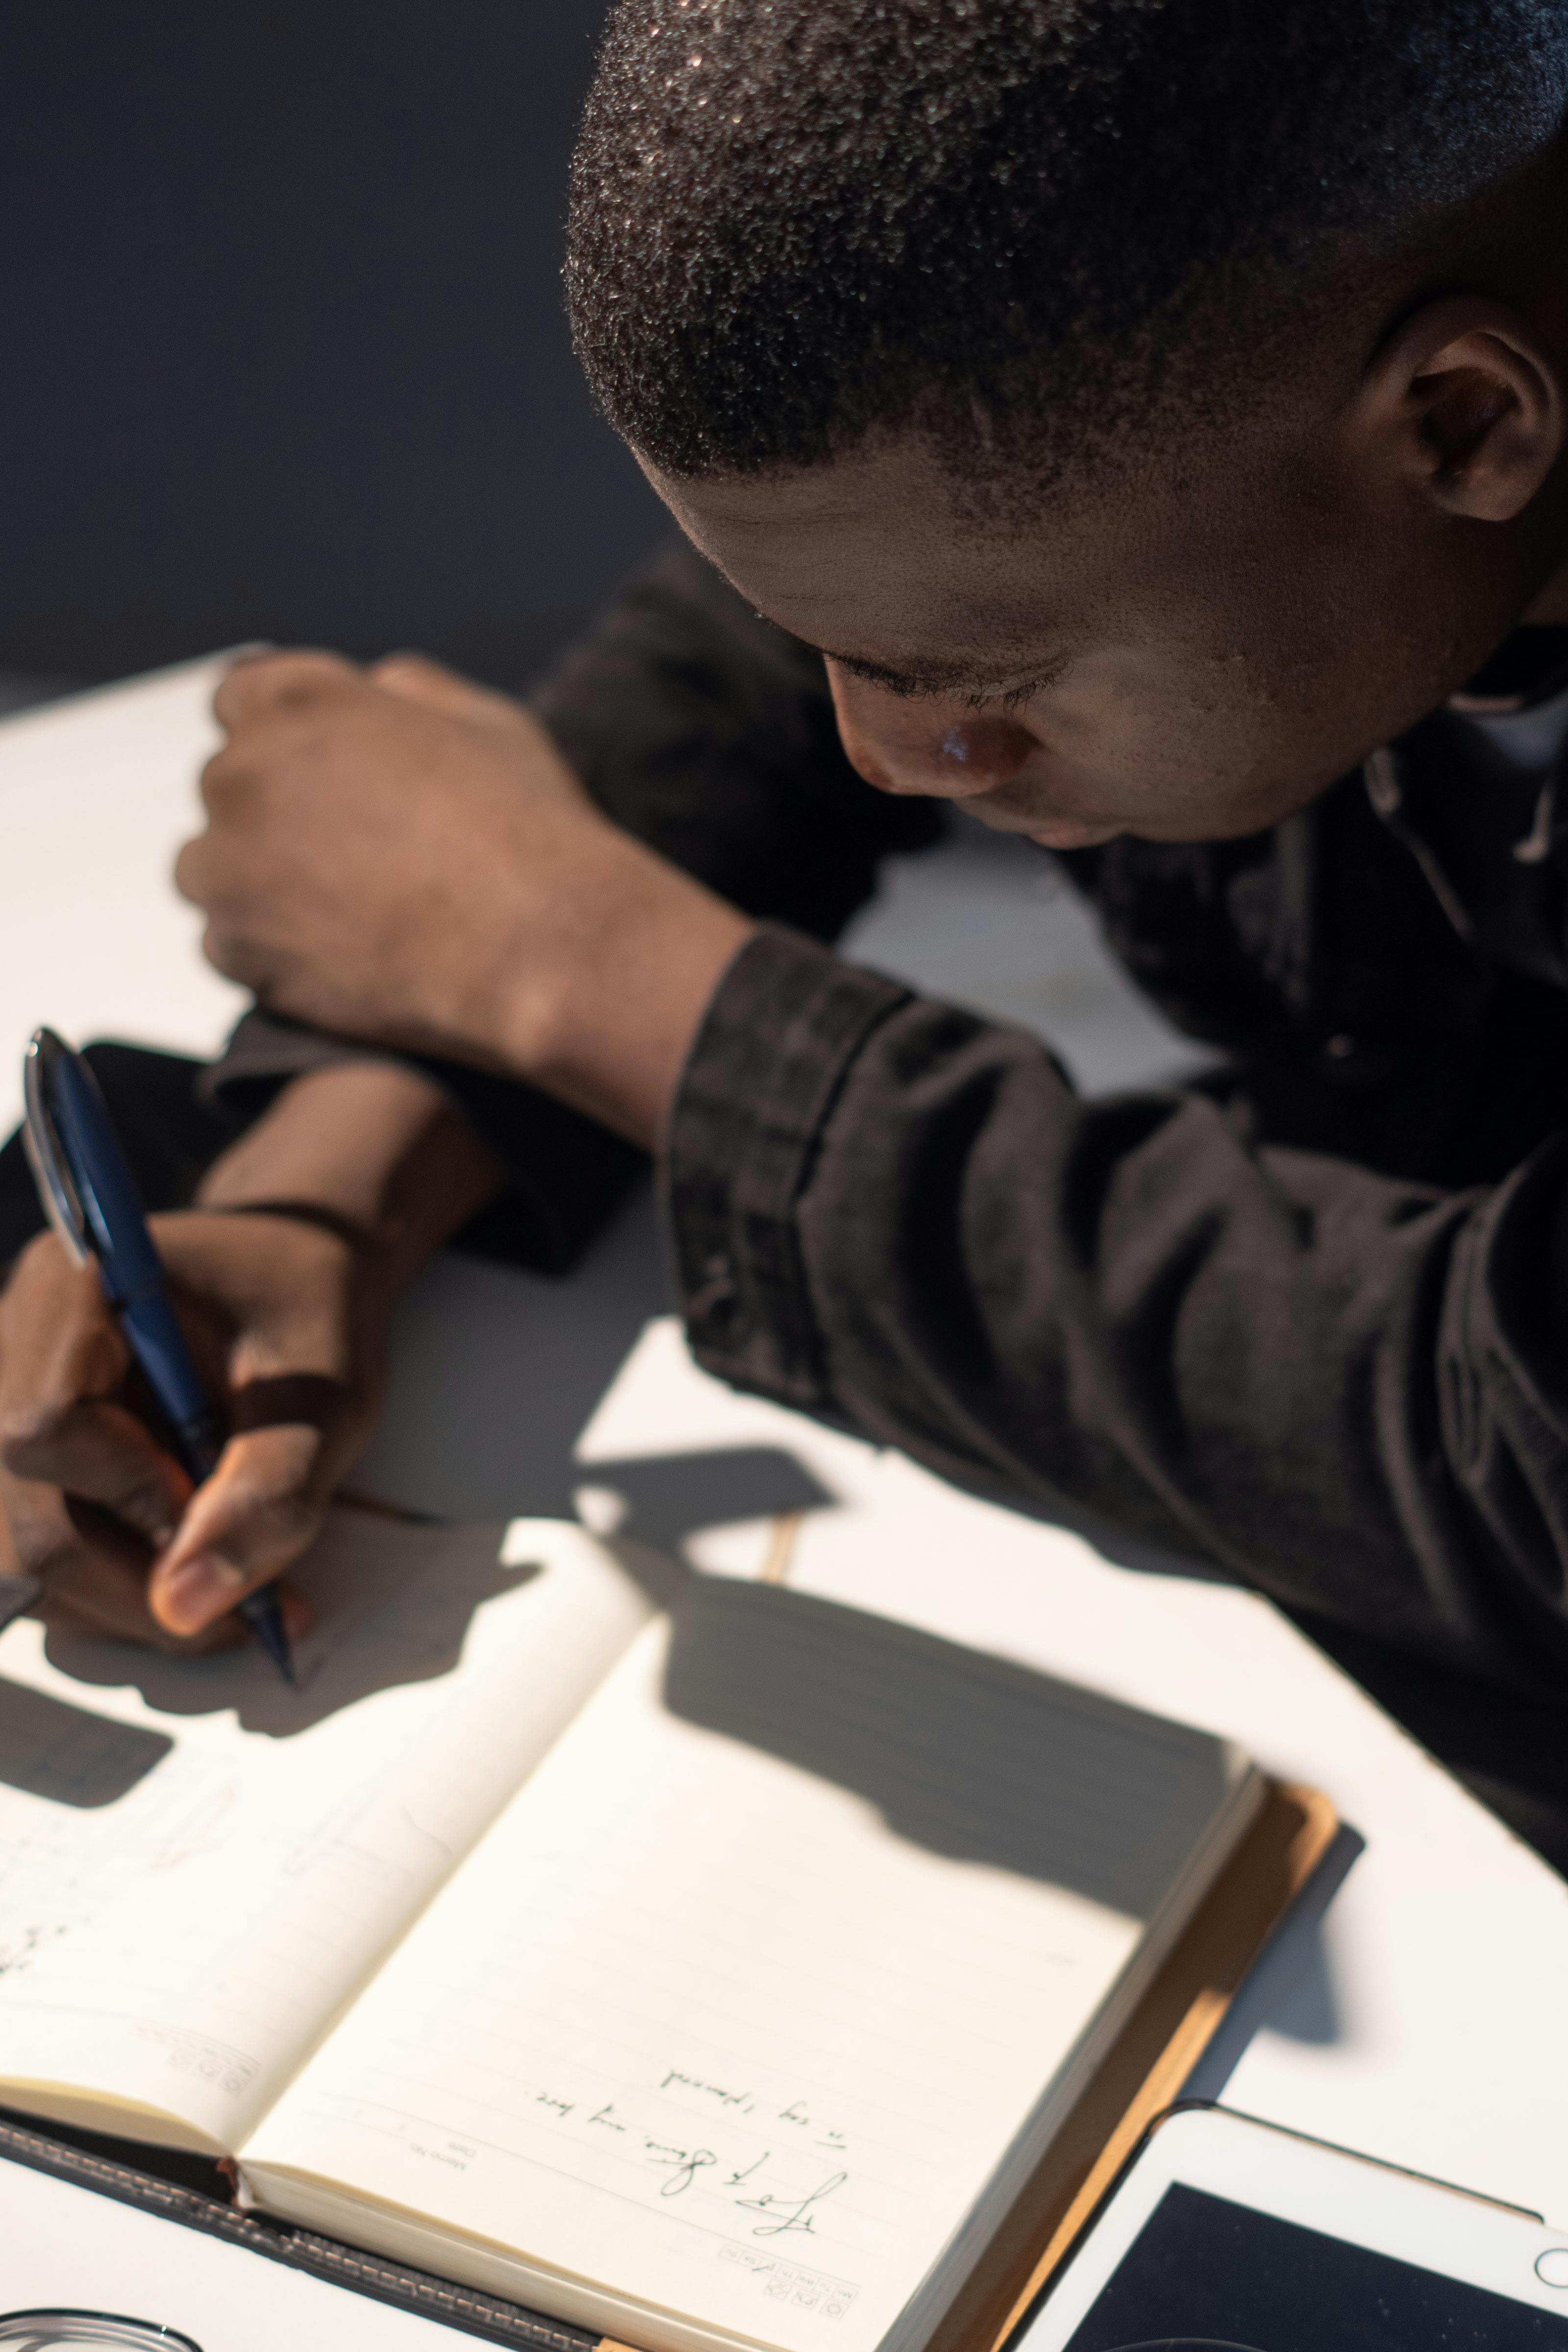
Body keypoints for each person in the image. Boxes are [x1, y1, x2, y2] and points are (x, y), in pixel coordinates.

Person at [3, 0, 1568, 1721]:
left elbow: (1490, 1444)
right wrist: (335, 1180)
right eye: (828, 642)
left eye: (985, 687)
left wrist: (580, 974)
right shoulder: (1159, 463)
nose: (885, 753)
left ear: (1463, 429)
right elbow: (816, 628)